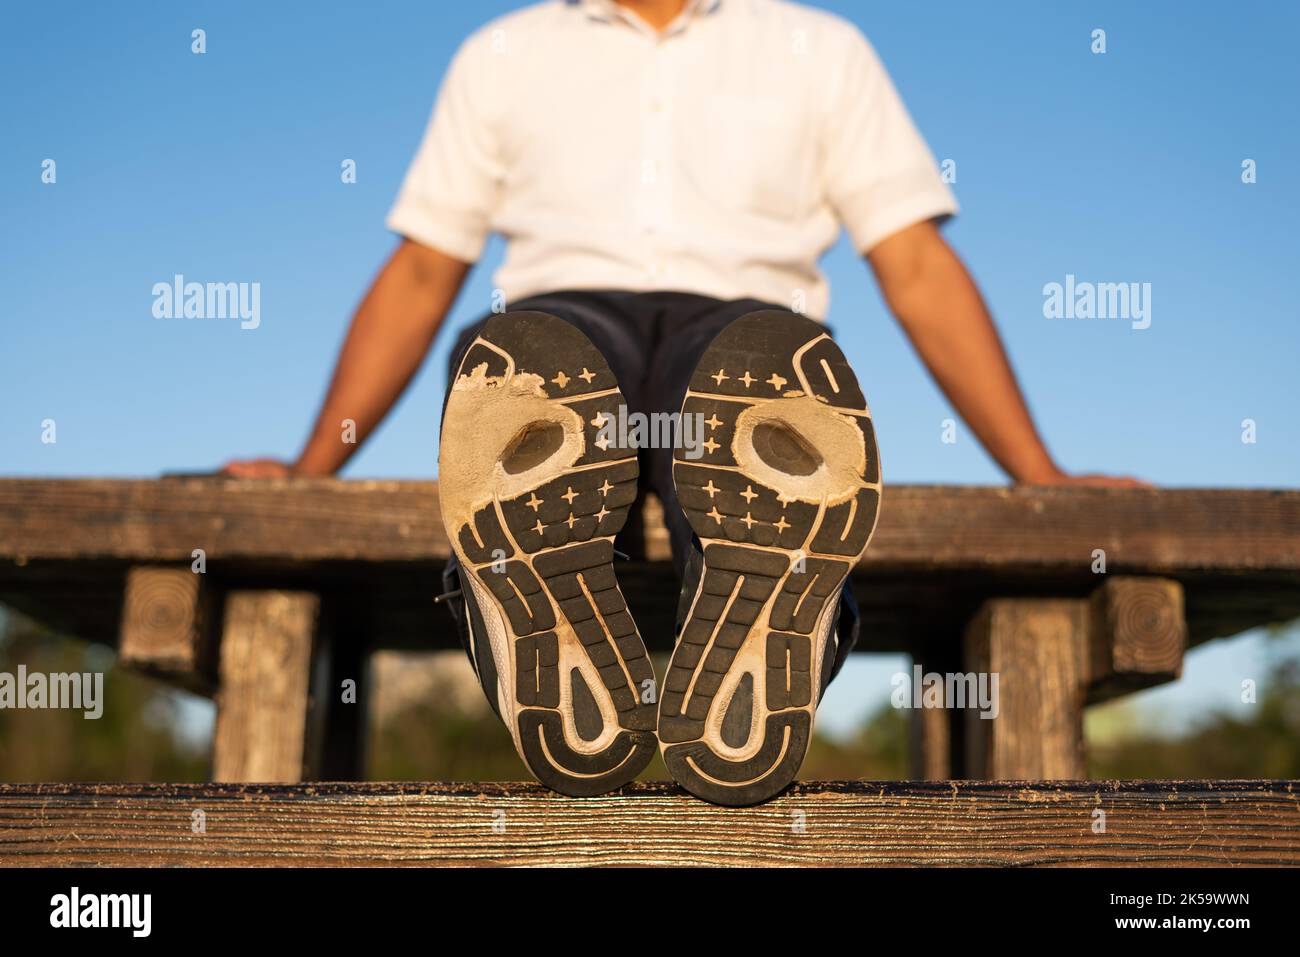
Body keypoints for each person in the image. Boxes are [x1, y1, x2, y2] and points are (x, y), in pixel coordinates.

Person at [223, 0, 1144, 804]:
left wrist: (1041, 475)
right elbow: (423, 270)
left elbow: (915, 265)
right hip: (561, 323)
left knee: (751, 392)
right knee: (531, 373)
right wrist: (311, 469)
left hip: (743, 332)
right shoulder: (501, 52)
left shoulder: (820, 48)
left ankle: (753, 625)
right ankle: (551, 604)